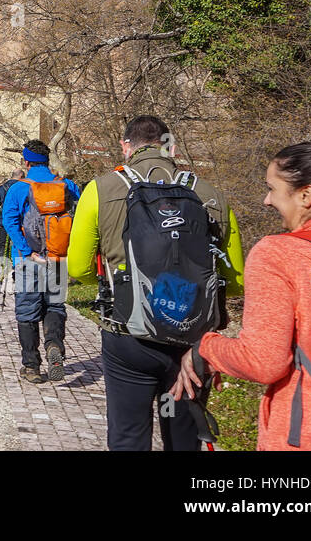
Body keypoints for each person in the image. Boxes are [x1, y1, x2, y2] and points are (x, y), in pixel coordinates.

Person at [173, 143, 311, 451]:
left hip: (306, 435)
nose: (266, 201)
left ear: (306, 195)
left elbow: (263, 361)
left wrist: (205, 350)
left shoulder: (278, 254)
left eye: (272, 189)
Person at [67, 115, 245, 450]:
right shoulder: (210, 194)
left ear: (125, 147)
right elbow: (235, 282)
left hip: (129, 335)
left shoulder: (101, 189)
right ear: (170, 147)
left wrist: (112, 283)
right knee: (182, 437)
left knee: (129, 435)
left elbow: (77, 267)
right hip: (192, 341)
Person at [1, 140, 81, 383]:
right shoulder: (66, 185)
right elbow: (84, 210)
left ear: (26, 162)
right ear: (47, 161)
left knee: (27, 312)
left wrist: (26, 251)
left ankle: (32, 366)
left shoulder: (18, 188)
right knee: (55, 307)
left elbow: (9, 221)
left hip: (28, 261)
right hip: (57, 258)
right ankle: (54, 346)